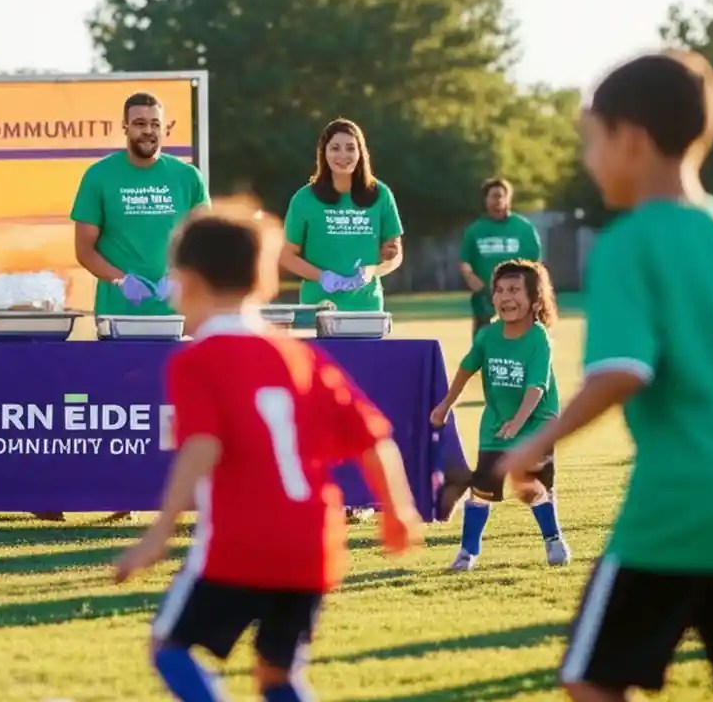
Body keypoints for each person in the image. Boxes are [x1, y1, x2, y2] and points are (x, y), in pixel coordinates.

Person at [498, 51, 713, 701]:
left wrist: (534, 445)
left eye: (592, 141)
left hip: (679, 506)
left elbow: (621, 372)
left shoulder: (630, 243)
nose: (589, 160)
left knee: (590, 679)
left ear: (632, 141)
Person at [114, 199, 424, 702]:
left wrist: (159, 533)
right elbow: (374, 439)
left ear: (188, 281)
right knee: (278, 677)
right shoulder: (301, 354)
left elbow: (202, 447)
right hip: (312, 546)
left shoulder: (197, 360)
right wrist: (398, 511)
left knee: (168, 647)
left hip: (239, 544)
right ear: (263, 282)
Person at [68, 91, 210, 524]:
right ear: (125, 127)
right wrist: (120, 279)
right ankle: (124, 496)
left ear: (165, 129)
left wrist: (183, 276)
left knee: (182, 405)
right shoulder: (99, 176)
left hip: (179, 315)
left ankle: (190, 493)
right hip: (119, 316)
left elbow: (205, 239)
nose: (147, 130)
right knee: (123, 409)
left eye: (154, 123)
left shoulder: (186, 177)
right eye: (140, 122)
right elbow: (84, 249)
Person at [430, 259, 567, 571]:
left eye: (515, 290)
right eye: (500, 290)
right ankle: (467, 553)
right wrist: (445, 405)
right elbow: (466, 369)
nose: (506, 297)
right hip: (496, 425)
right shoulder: (488, 336)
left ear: (535, 301)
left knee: (528, 486)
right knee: (481, 489)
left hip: (535, 424)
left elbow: (536, 387)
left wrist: (517, 423)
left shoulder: (538, 339)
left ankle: (553, 539)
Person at [280, 117, 405, 312]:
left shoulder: (381, 195)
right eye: (335, 148)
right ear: (324, 153)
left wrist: (372, 271)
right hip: (318, 307)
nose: (343, 155)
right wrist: (322, 277)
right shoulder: (304, 199)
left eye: (350, 148)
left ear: (361, 152)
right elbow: (287, 256)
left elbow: (394, 255)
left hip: (367, 308)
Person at [458, 179, 542, 337]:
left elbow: (535, 264)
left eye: (502, 196)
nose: (498, 201)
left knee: (519, 344)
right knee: (485, 345)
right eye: (494, 196)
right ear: (486, 200)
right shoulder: (475, 230)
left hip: (519, 302)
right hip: (485, 302)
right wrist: (472, 279)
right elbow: (465, 263)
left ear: (509, 198)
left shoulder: (524, 228)